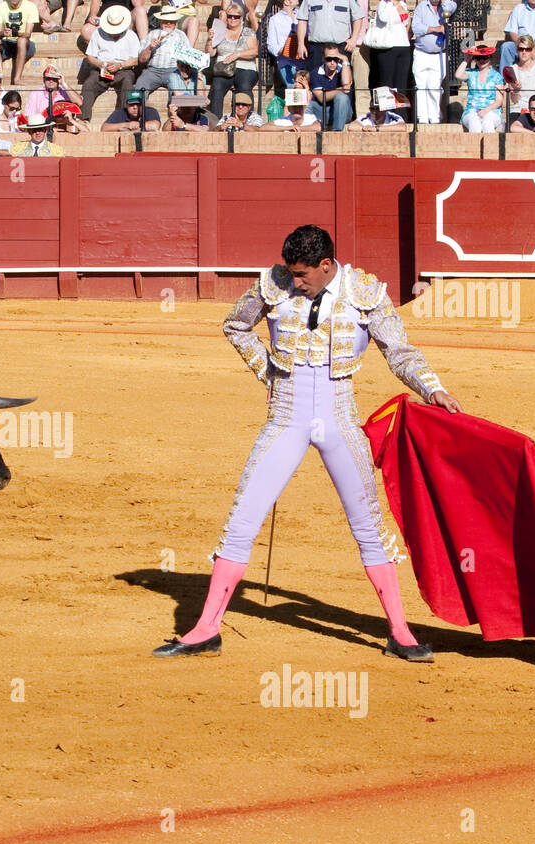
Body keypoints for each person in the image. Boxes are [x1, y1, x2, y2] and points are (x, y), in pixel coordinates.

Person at [153, 224, 462, 662]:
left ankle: (400, 634)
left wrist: (431, 388)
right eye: (290, 273)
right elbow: (235, 326)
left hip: (340, 418)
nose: (293, 282)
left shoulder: (366, 292)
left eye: (302, 274)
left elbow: (401, 352)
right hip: (286, 416)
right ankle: (205, 629)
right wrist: (268, 372)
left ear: (325, 265)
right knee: (241, 521)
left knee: (370, 529)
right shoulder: (274, 283)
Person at [79, 6, 141, 114]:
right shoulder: (98, 33)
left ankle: (124, 116)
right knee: (89, 84)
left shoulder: (131, 35)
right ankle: (83, 118)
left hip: (123, 69)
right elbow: (90, 56)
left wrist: (120, 65)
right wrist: (101, 64)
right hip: (101, 69)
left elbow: (135, 60)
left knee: (127, 82)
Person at [207, 3, 257, 116]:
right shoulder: (220, 31)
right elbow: (211, 53)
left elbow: (254, 51)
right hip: (223, 68)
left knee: (244, 85)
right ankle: (216, 120)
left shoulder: (248, 32)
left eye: (236, 17)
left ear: (242, 18)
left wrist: (237, 55)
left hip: (245, 67)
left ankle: (246, 119)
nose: (233, 19)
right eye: (230, 16)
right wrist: (209, 40)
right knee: (217, 87)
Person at [410, 0, 454, 122]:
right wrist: (436, 29)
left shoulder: (447, 5)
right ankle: (422, 117)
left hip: (439, 54)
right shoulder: (421, 7)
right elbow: (416, 28)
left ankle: (434, 117)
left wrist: (444, 3)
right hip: (421, 53)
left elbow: (451, 7)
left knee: (434, 86)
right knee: (421, 86)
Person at [134, 7, 194, 96]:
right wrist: (150, 48)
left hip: (174, 70)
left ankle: (175, 108)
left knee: (179, 92)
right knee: (139, 89)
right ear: (160, 21)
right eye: (165, 21)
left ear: (176, 23)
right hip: (153, 71)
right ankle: (138, 109)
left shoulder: (181, 36)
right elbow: (142, 60)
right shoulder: (153, 34)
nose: (168, 23)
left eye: (171, 21)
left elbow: (188, 56)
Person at [296, 0, 366, 74]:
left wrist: (354, 39)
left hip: (341, 47)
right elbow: (302, 20)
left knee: (342, 78)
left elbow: (358, 18)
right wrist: (300, 44)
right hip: (316, 48)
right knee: (314, 77)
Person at [455, 42, 505, 131]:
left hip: (491, 111)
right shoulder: (471, 73)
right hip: (471, 111)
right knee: (474, 124)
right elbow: (458, 75)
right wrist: (467, 59)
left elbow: (499, 101)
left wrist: (485, 110)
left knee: (488, 123)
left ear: (490, 58)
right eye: (478, 58)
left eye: (485, 57)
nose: (482, 60)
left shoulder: (497, 76)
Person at [0, 0, 39, 83]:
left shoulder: (31, 7)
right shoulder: (1, 6)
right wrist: (3, 33)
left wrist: (15, 33)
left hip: (25, 44)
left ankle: (17, 79)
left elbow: (27, 34)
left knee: (21, 41)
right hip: (7, 42)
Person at [309, 43, 354, 129]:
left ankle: (336, 132)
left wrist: (345, 59)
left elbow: (346, 85)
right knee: (307, 105)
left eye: (336, 59)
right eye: (329, 59)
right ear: (323, 59)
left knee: (341, 97)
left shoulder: (345, 69)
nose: (332, 62)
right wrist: (340, 90)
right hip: (324, 111)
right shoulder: (315, 73)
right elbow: (321, 97)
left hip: (344, 112)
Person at [505, 34, 535, 117]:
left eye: (527, 49)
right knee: (512, 126)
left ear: (532, 50)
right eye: (521, 49)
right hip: (518, 109)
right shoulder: (512, 69)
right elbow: (514, 101)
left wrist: (533, 110)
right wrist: (516, 90)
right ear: (517, 50)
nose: (524, 52)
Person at [501, 0, 535, 69]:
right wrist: (523, 44)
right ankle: (506, 77)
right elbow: (512, 32)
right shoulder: (518, 9)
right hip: (522, 44)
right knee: (506, 47)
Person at [268, 0, 307, 90]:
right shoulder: (275, 19)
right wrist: (284, 49)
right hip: (287, 62)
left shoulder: (302, 15)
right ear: (286, 2)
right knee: (293, 87)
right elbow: (271, 45)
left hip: (304, 60)